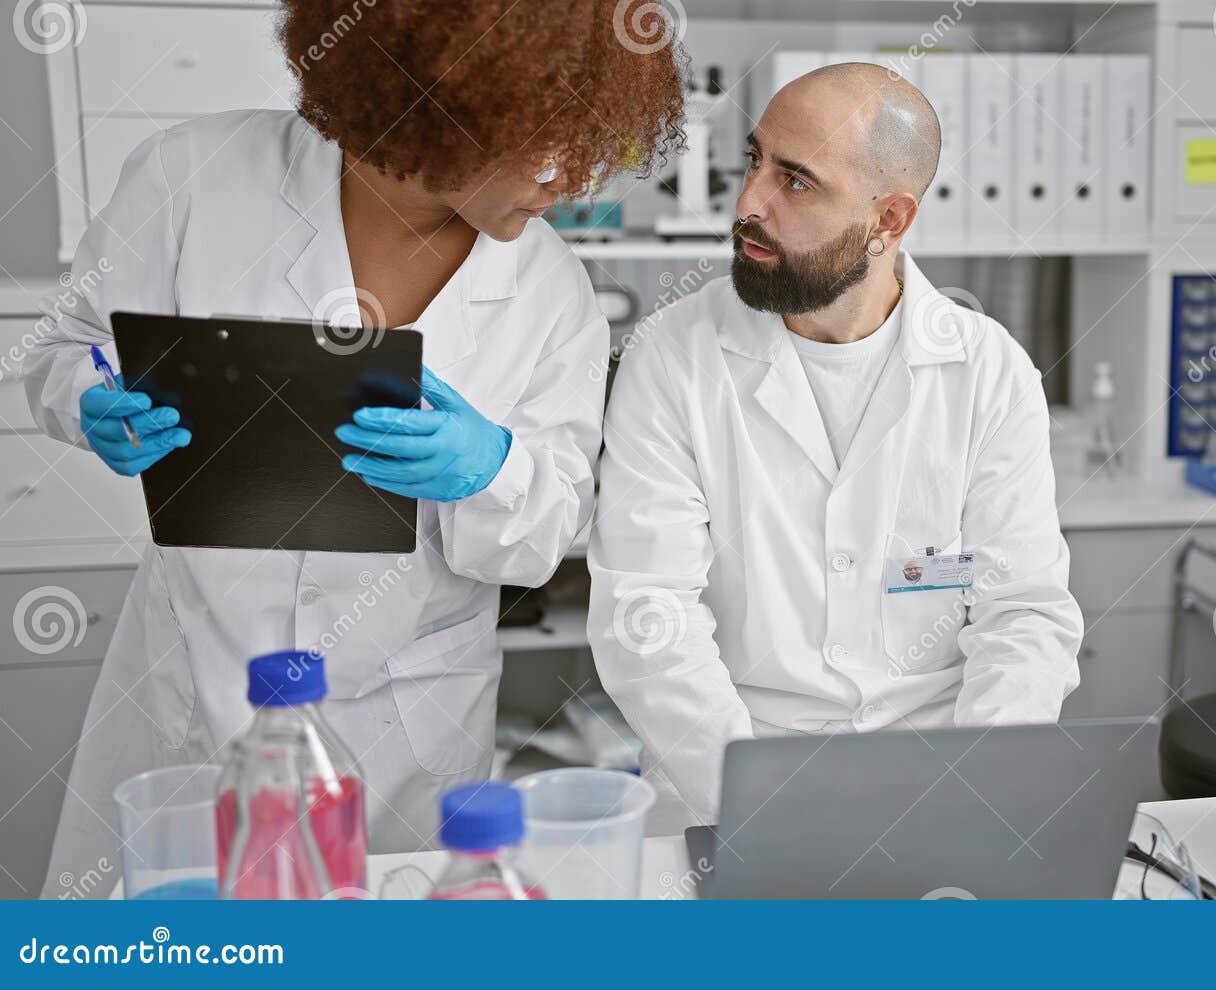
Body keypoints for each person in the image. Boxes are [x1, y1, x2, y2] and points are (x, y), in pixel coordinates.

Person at [25, 0, 684, 895]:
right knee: (175, 934)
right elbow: (67, 348)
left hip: (406, 715)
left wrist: (492, 468)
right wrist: (88, 402)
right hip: (198, 677)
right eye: (543, 142)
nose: (569, 183)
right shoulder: (192, 177)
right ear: (449, 105)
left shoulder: (551, 291)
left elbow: (548, 527)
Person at [588, 63, 1083, 829]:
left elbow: (1023, 616)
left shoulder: (988, 373)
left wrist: (970, 798)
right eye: (755, 161)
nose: (748, 204)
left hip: (937, 782)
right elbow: (648, 615)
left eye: (797, 182)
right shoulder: (671, 358)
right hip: (729, 779)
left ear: (888, 220)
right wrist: (761, 811)